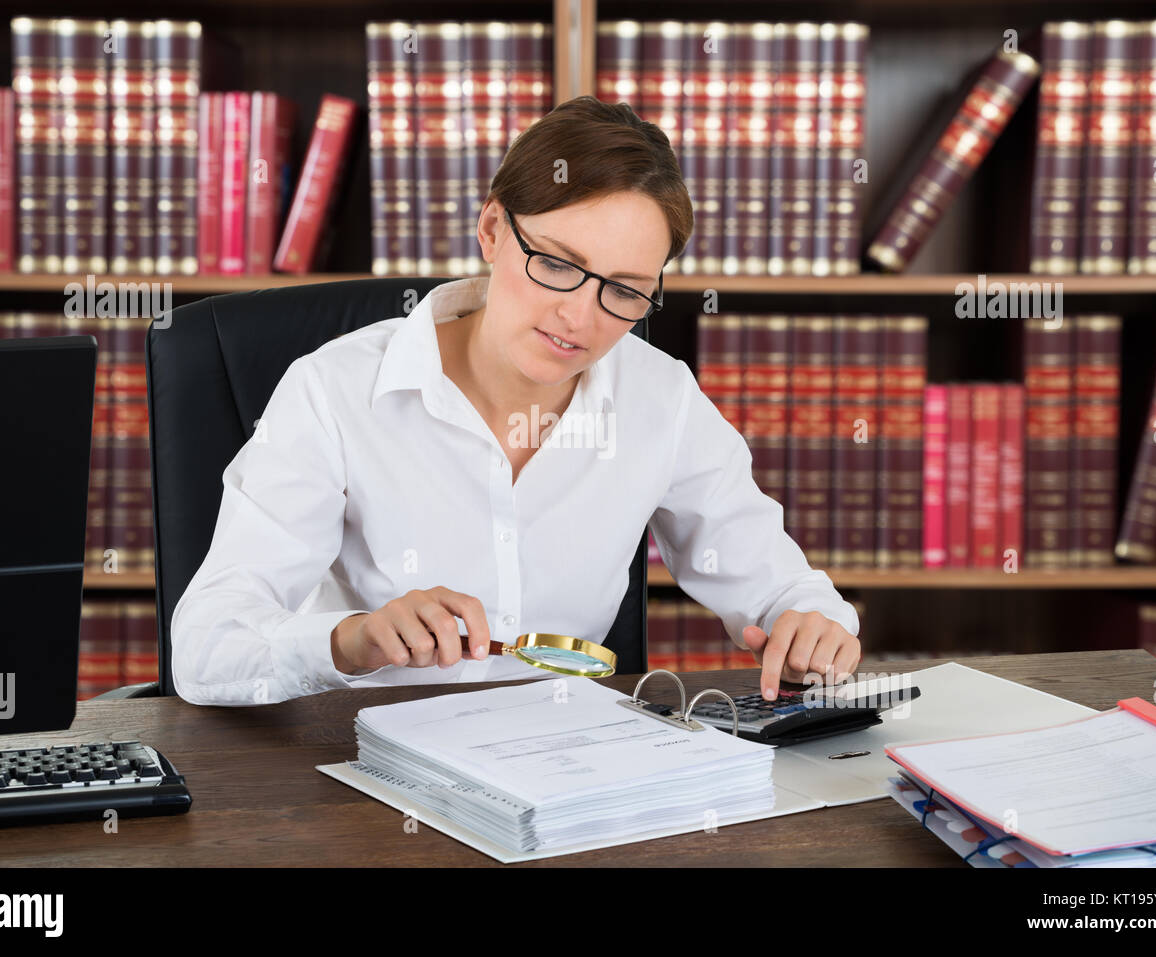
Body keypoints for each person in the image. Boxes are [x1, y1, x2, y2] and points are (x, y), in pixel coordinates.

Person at [170, 95, 861, 707]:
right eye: (557, 264)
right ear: (494, 230)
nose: (579, 317)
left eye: (622, 290)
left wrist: (810, 628)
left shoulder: (660, 397)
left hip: (565, 772)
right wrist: (351, 640)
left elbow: (779, 589)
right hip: (361, 774)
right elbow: (207, 648)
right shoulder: (336, 390)